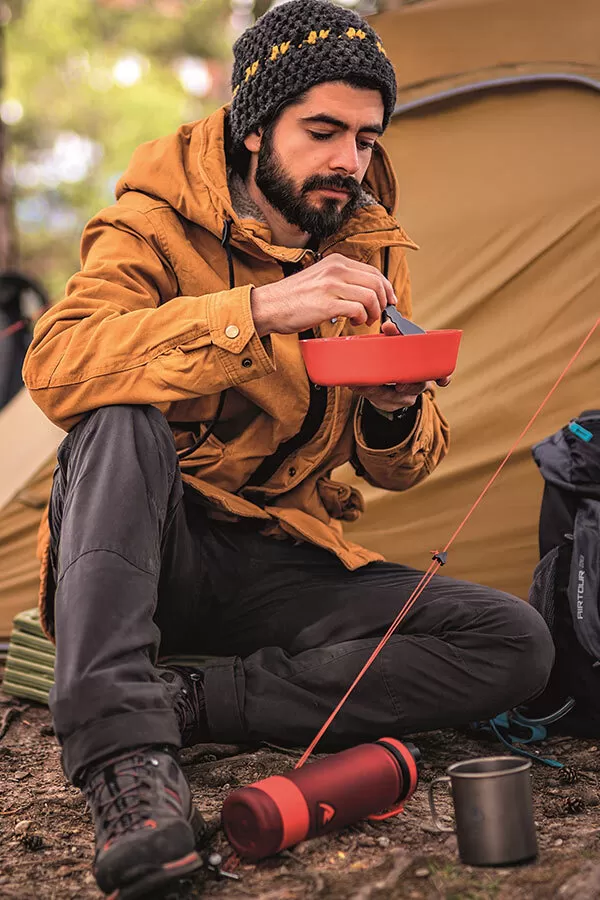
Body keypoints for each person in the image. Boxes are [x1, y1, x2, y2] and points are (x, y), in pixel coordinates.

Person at [23, 2, 554, 897]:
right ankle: (125, 760)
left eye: (365, 135)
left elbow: (399, 467)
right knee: (121, 419)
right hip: (151, 546)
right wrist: (256, 311)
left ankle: (192, 703)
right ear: (254, 123)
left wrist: (389, 406)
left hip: (276, 557)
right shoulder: (151, 224)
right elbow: (57, 365)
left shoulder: (365, 237)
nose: (348, 159)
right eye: (323, 131)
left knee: (512, 641)